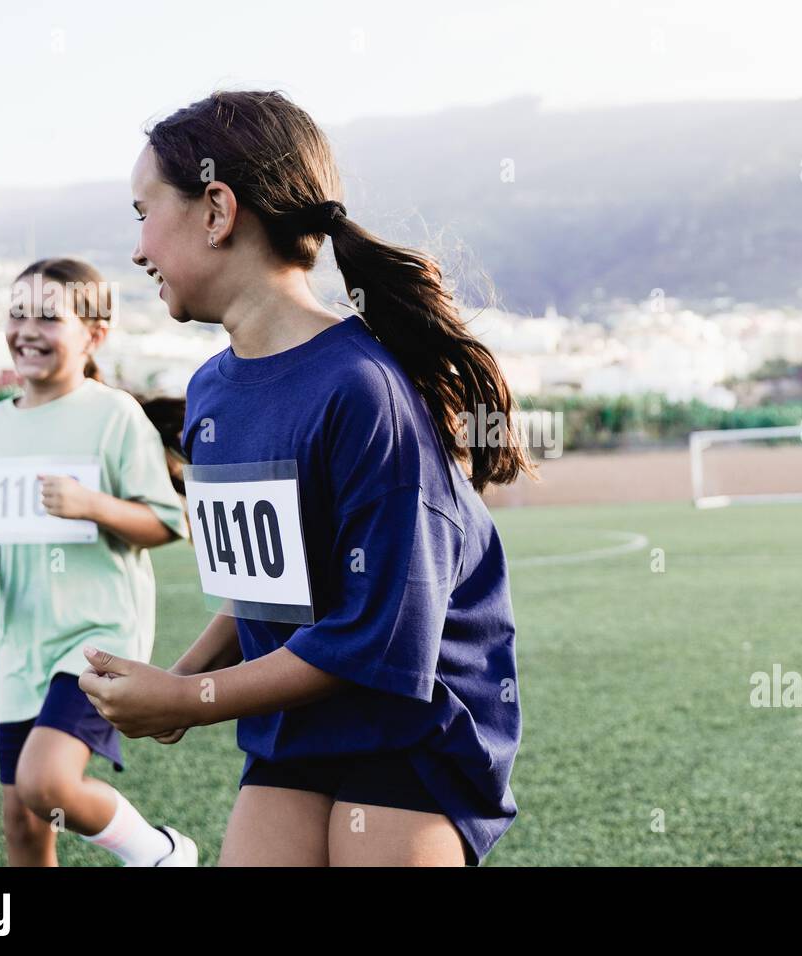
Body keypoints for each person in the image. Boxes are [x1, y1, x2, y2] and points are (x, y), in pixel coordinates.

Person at [81, 89, 533, 866]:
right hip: (297, 733)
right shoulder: (213, 390)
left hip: (411, 732)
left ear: (217, 210)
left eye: (142, 212)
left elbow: (379, 637)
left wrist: (190, 698)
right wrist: (176, 684)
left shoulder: (363, 390)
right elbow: (269, 589)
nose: (136, 248)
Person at [0, 257, 196, 865]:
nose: (27, 328)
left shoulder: (113, 415)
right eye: (17, 312)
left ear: (94, 335)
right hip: (20, 648)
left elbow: (164, 521)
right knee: (25, 826)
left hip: (96, 638)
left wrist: (91, 505)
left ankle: (159, 854)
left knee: (47, 783)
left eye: (49, 316)